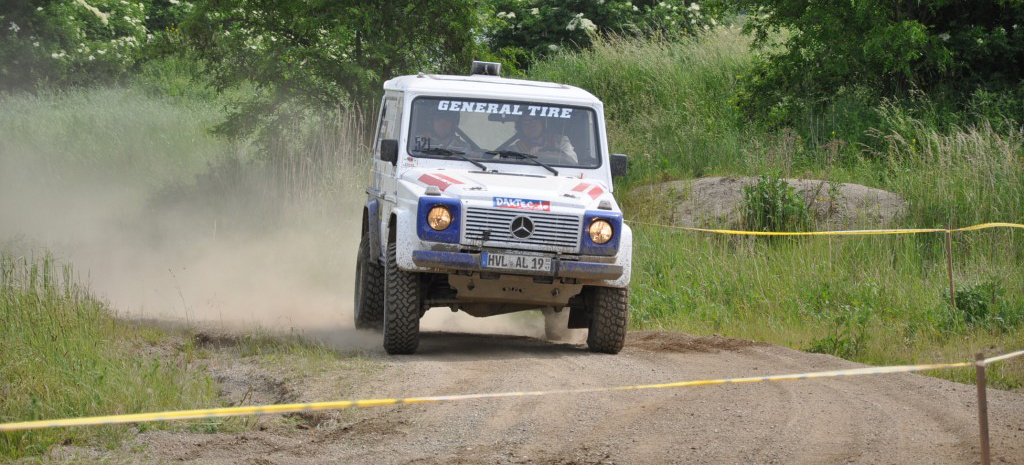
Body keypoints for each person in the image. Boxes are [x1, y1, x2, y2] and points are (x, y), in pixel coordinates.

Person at [508, 114, 577, 164]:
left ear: (542, 123)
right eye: (526, 122)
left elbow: (573, 160)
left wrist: (543, 151)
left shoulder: (560, 141)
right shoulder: (515, 148)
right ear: (520, 127)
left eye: (534, 120)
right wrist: (528, 156)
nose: (531, 125)